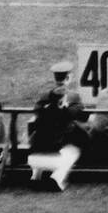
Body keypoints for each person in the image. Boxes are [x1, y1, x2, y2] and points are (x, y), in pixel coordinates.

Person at [27, 60, 87, 190]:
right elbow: (80, 115)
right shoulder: (74, 97)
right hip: (57, 149)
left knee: (47, 138)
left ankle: (35, 175)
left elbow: (37, 112)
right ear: (68, 77)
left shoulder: (44, 96)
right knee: (74, 150)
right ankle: (57, 178)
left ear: (55, 78)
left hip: (36, 149)